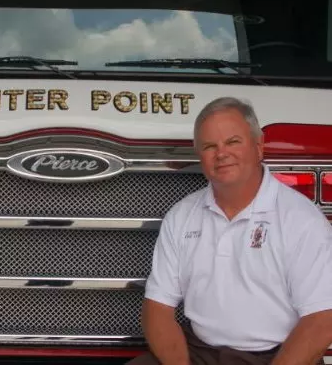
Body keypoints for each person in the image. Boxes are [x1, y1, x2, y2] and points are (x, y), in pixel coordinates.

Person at [127, 97, 332, 365]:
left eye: (233, 142)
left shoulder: (302, 220)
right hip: (200, 353)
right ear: (200, 157)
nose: (221, 154)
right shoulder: (181, 215)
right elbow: (157, 308)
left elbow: (321, 320)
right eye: (210, 146)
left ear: (259, 147)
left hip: (279, 356)